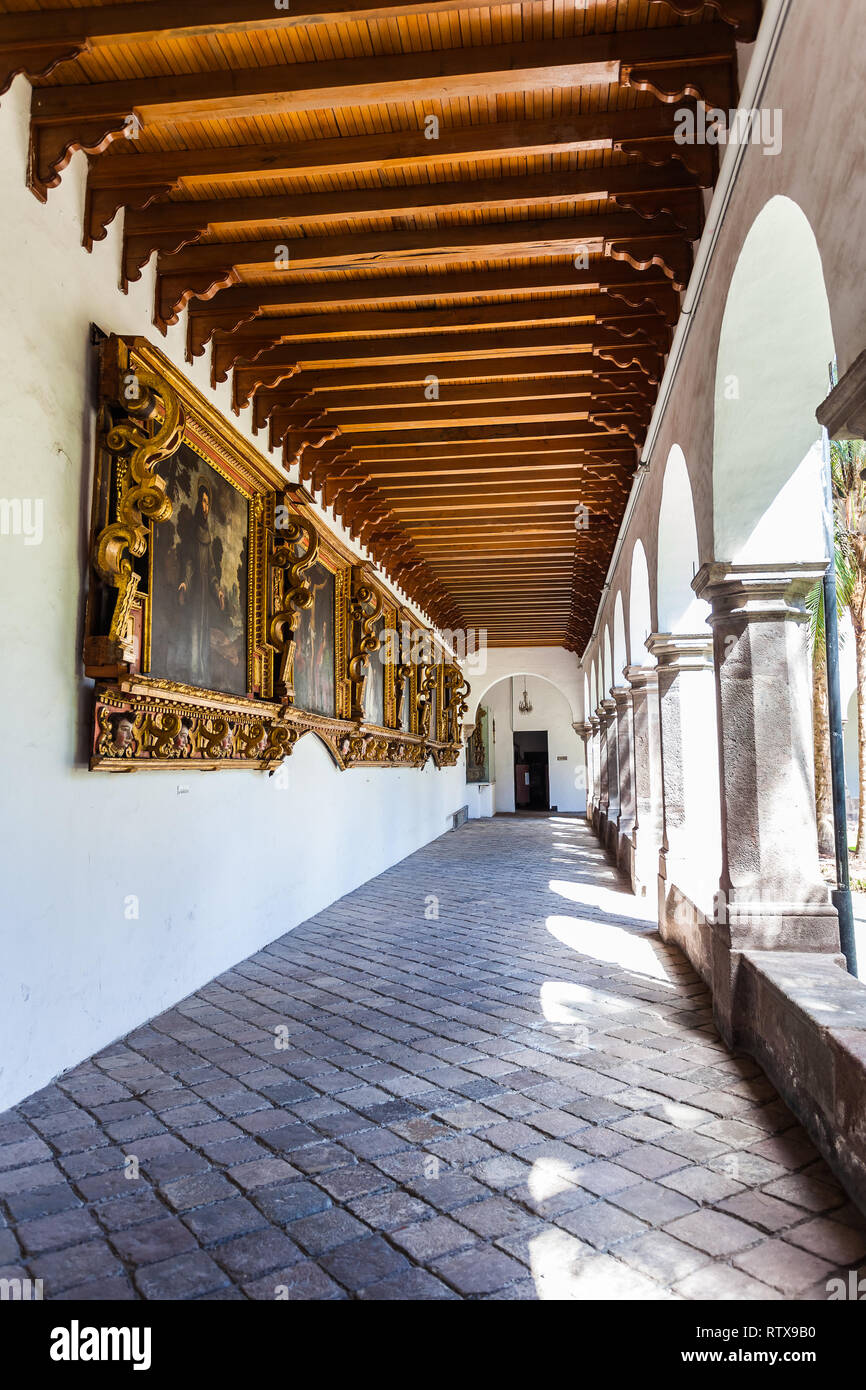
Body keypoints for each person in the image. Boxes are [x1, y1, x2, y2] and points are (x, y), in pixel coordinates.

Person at [177, 484, 224, 687]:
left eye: (207, 502)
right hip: (196, 586)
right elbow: (188, 563)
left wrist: (218, 591)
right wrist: (184, 585)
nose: (204, 506)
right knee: (194, 627)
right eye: (202, 501)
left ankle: (203, 673)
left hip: (206, 588)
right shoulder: (193, 533)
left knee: (204, 629)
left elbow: (212, 570)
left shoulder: (208, 535)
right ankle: (193, 671)